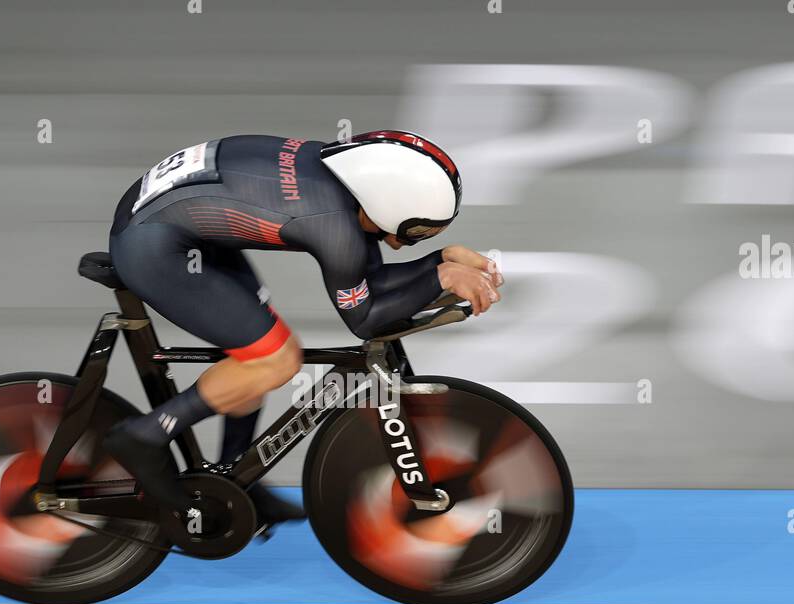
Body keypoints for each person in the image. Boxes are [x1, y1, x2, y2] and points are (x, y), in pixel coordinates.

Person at [101, 130, 503, 524]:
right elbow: (366, 320)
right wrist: (441, 277)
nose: (401, 243)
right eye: (412, 232)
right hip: (155, 245)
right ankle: (145, 436)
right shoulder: (333, 225)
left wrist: (442, 260)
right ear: (385, 203)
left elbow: (371, 278)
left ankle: (236, 474)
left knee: (254, 342)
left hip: (179, 223)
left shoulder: (339, 178)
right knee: (276, 360)